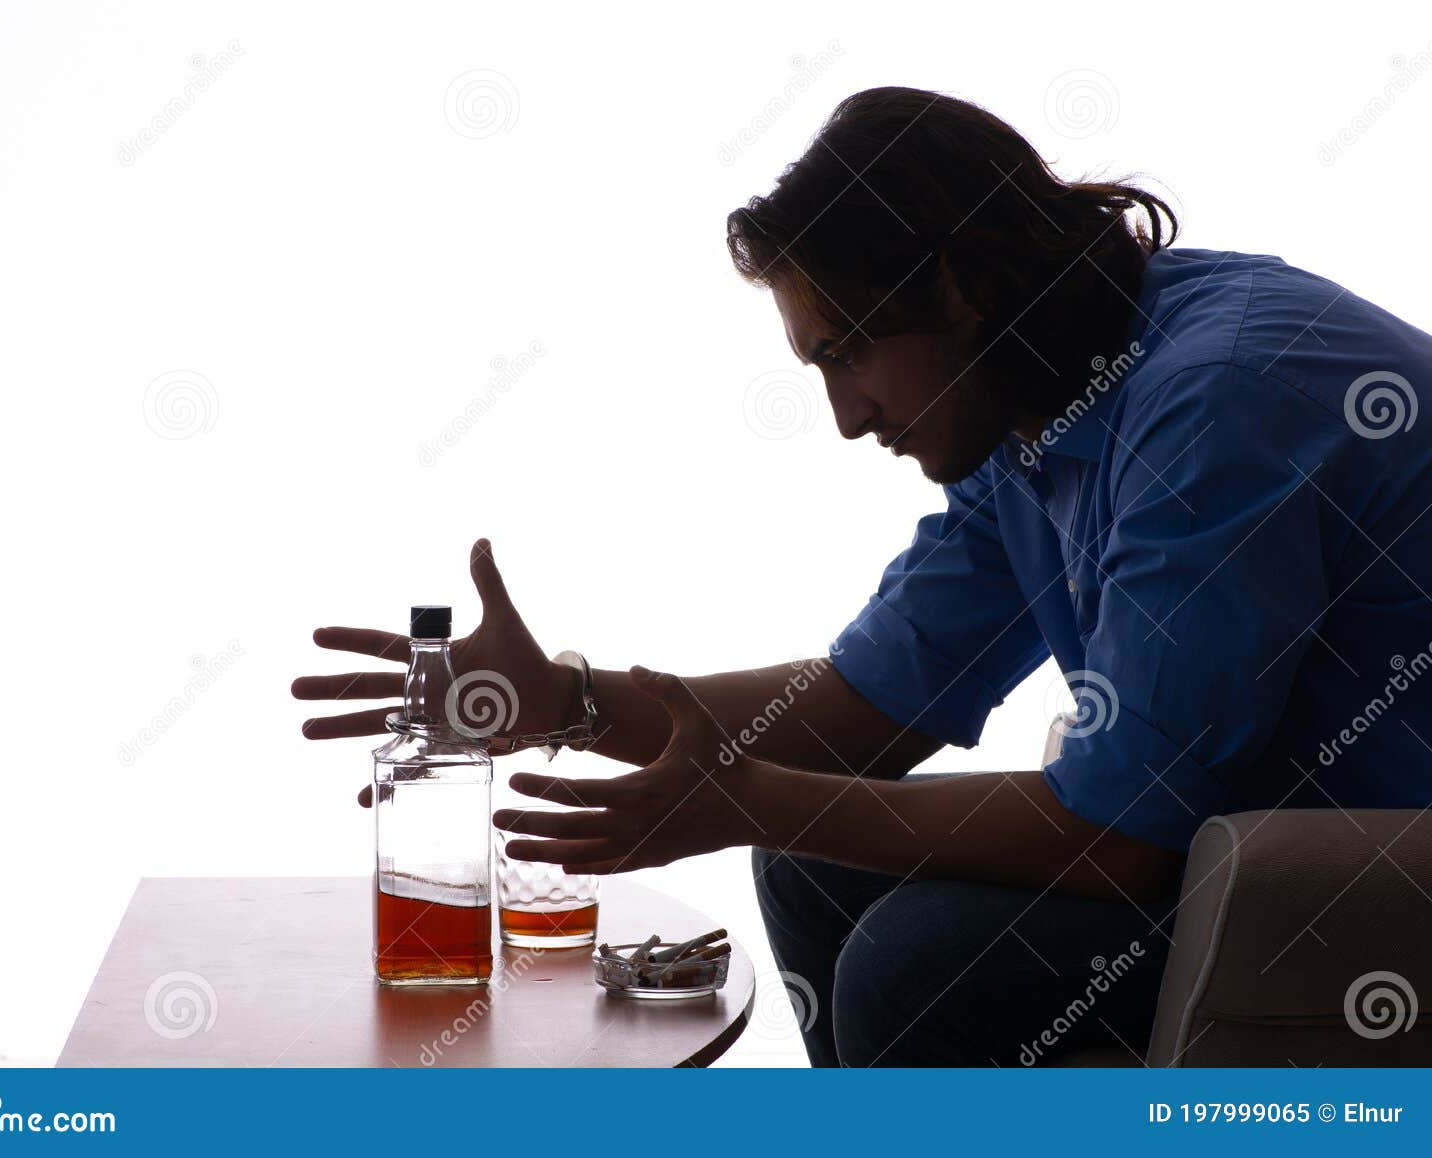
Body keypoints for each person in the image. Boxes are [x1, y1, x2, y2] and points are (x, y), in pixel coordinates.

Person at [293, 87, 1432, 1066]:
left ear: (959, 288)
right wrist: (563, 705)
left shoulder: (1216, 404)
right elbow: (859, 714)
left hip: (1379, 870)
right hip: (1258, 840)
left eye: (847, 352)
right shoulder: (1037, 401)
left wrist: (745, 795)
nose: (845, 419)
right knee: (805, 865)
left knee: (913, 962)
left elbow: (1120, 837)